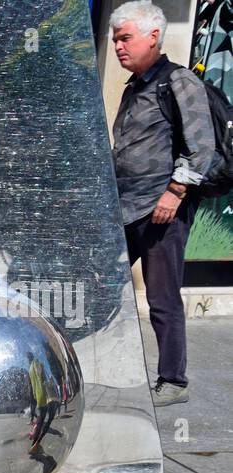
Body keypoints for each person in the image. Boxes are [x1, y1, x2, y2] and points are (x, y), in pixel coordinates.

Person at [112, 1, 217, 407]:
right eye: (116, 39)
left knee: (162, 298)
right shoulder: (135, 86)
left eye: (126, 38)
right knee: (103, 286)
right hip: (125, 208)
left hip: (161, 210)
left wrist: (174, 193)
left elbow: (201, 146)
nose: (119, 46)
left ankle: (173, 381)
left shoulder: (178, 81)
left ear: (153, 37)